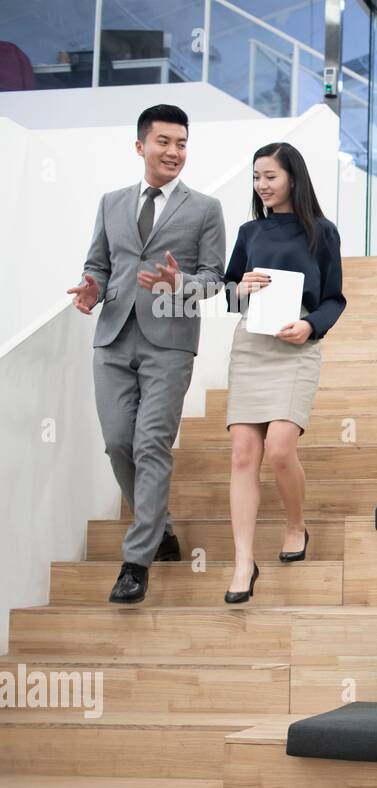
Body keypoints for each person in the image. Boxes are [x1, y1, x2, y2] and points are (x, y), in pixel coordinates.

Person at [69, 104, 226, 604]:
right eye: (164, 142)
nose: (174, 152)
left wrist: (179, 283)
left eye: (182, 143)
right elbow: (98, 262)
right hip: (113, 336)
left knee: (151, 444)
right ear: (141, 146)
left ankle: (136, 564)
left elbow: (215, 280)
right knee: (119, 443)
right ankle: (160, 529)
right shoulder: (112, 202)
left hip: (170, 342)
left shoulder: (205, 209)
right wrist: (92, 289)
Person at [220, 142, 345, 603]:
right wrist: (240, 287)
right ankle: (242, 563)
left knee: (278, 449)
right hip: (252, 346)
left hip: (296, 349)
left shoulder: (323, 233)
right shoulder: (250, 231)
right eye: (256, 177)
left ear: (292, 176)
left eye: (270, 176)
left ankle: (296, 525)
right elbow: (227, 294)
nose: (262, 186)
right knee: (241, 456)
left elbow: (334, 298)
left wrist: (311, 324)